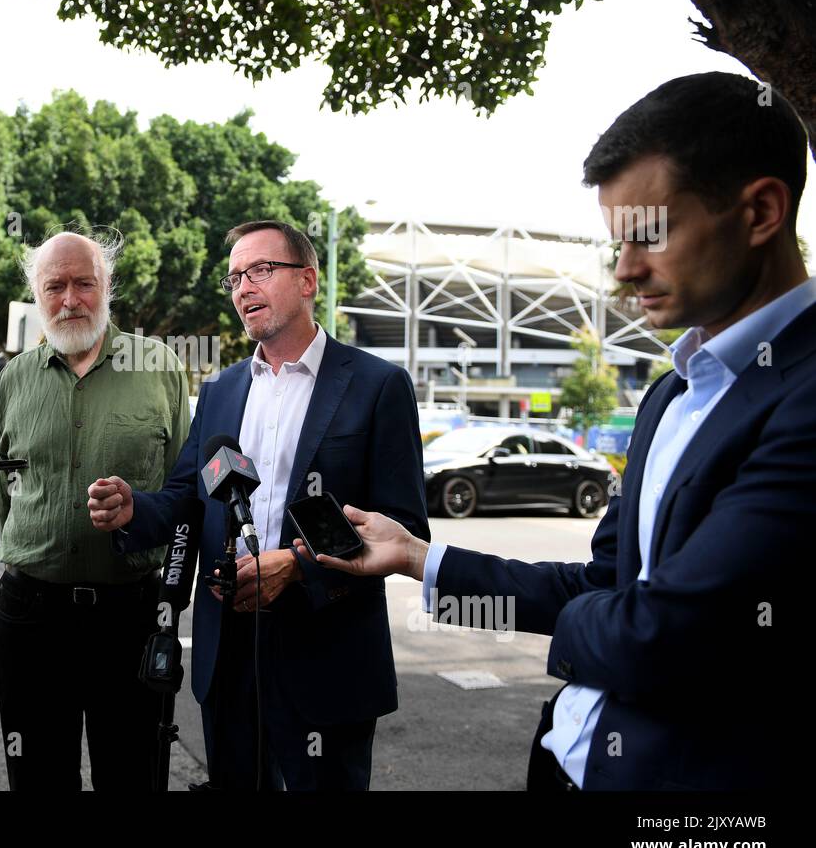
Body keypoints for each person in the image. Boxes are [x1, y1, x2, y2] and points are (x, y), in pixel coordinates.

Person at [301, 72, 810, 791]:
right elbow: (605, 584)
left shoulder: (804, 396)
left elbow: (660, 636)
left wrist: (608, 619)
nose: (626, 273)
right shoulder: (670, 394)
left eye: (649, 238)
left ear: (760, 211)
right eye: (616, 246)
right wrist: (420, 558)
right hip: (569, 762)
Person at [89, 220, 428, 790]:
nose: (244, 286)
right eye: (235, 277)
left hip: (328, 652)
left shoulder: (377, 385)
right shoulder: (222, 390)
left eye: (262, 270)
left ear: (308, 281)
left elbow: (404, 528)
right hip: (230, 654)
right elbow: (185, 498)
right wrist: (132, 510)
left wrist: (296, 566)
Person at [0, 230, 190, 790]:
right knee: (37, 778)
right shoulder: (14, 379)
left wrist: (173, 603)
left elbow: (184, 491)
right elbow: (8, 497)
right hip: (30, 617)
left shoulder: (160, 367)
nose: (71, 299)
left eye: (85, 283)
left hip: (130, 615)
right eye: (55, 286)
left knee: (131, 775)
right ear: (37, 294)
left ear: (108, 287)